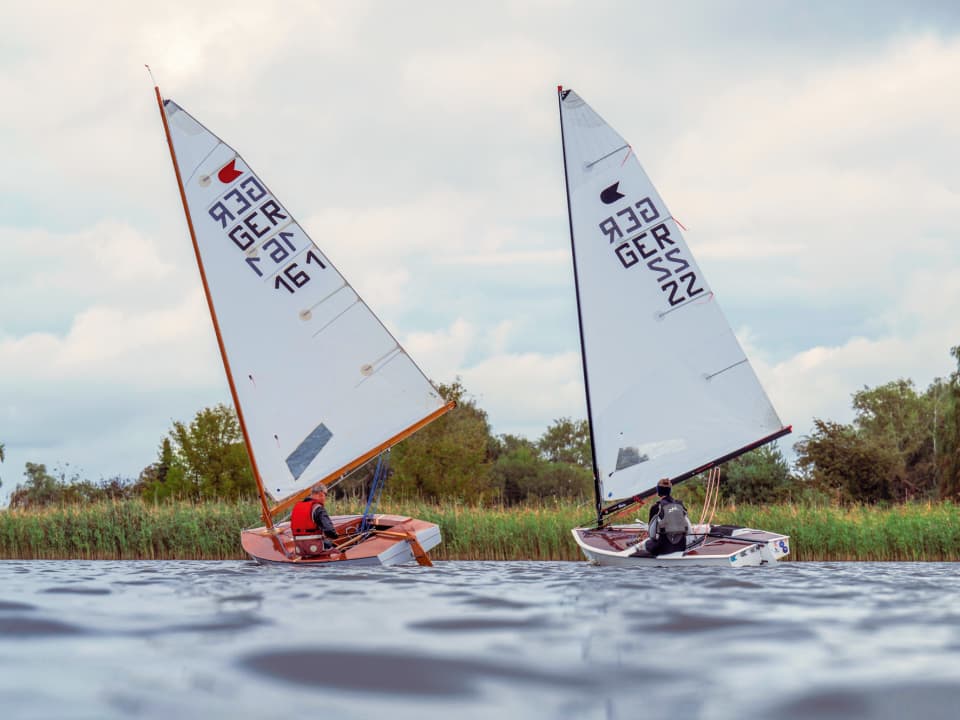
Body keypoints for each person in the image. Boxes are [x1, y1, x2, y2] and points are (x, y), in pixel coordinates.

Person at [644, 478, 693, 556]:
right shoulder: (680, 505)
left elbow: (652, 535)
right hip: (681, 547)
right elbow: (689, 531)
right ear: (669, 490)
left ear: (658, 491)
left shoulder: (656, 507)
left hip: (664, 549)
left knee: (647, 543)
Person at [291, 484, 339, 556]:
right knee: (339, 552)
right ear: (321, 494)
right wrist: (335, 535)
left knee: (327, 543)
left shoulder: (297, 507)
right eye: (325, 495)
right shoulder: (318, 508)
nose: (325, 498)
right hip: (315, 548)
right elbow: (329, 530)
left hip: (300, 549)